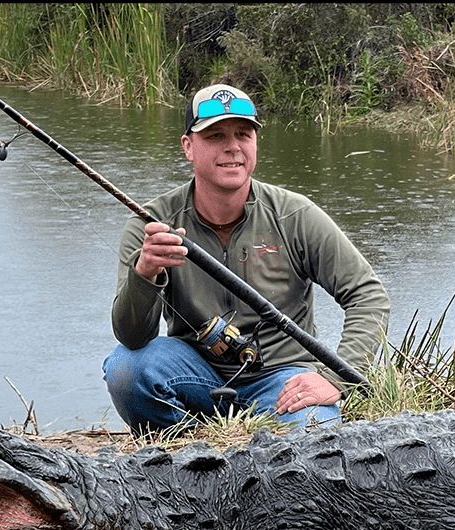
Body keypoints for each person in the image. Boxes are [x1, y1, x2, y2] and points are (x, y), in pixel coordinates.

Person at [104, 84, 390, 433]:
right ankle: (185, 448)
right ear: (188, 147)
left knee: (315, 429)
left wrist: (338, 377)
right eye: (215, 136)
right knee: (125, 369)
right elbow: (132, 337)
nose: (232, 147)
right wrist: (145, 273)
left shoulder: (295, 215)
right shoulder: (151, 223)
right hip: (195, 374)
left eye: (243, 133)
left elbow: (368, 295)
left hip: (284, 379)